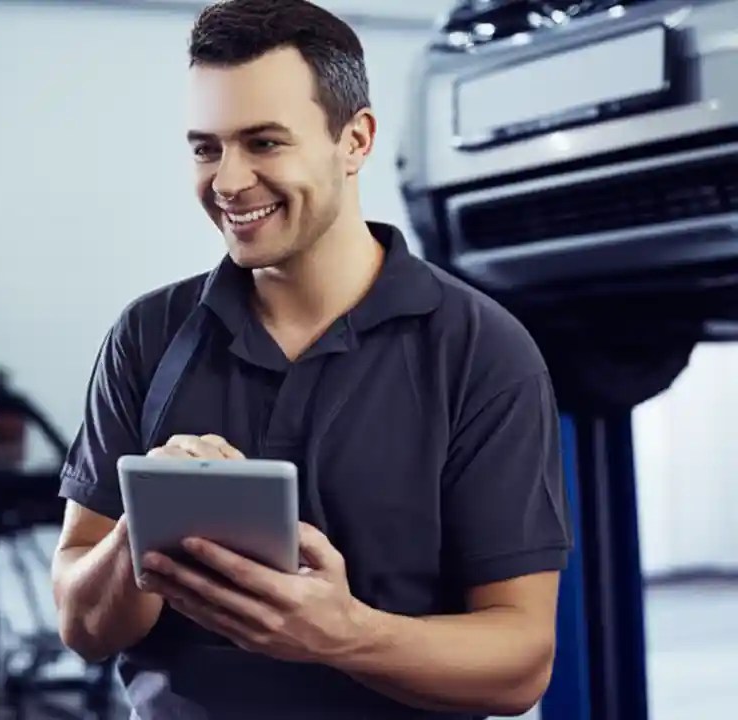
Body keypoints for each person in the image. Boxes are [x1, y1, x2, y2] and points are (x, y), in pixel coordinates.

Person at [51, 1, 572, 718]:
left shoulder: (482, 351)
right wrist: (138, 534)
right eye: (207, 148)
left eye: (264, 143)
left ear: (354, 140)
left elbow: (519, 665)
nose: (228, 181)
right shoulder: (146, 336)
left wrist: (342, 635)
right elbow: (83, 628)